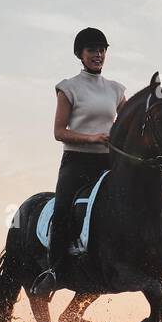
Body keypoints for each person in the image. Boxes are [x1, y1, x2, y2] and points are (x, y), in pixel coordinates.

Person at [29, 27, 126, 296]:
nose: (98, 55)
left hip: (108, 164)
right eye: (92, 50)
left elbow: (127, 124)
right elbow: (59, 132)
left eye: (102, 50)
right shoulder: (68, 88)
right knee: (61, 212)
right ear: (80, 55)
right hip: (77, 162)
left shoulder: (116, 89)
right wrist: (93, 137)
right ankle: (54, 271)